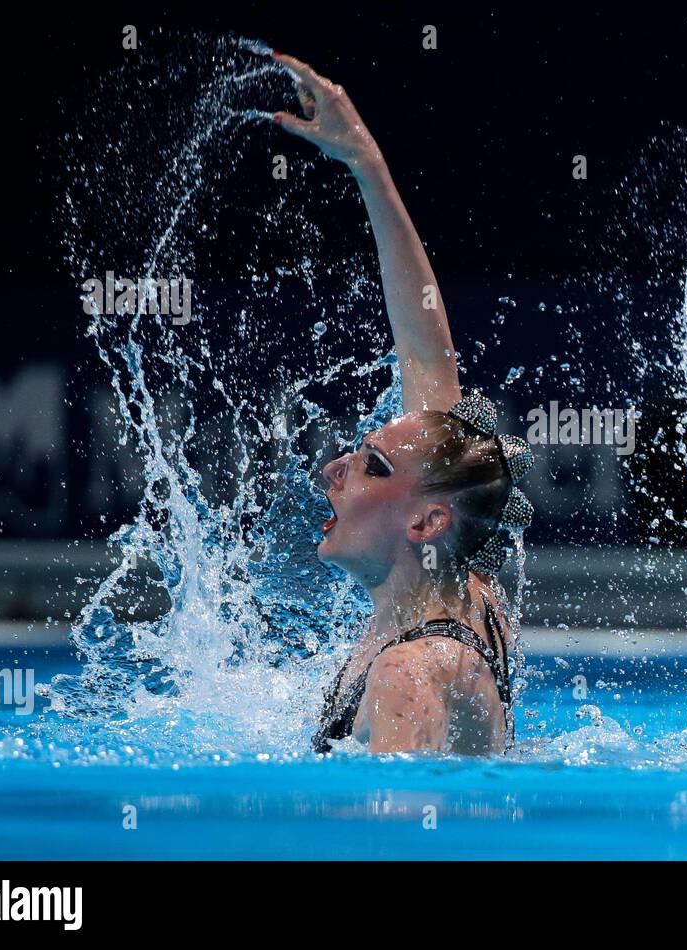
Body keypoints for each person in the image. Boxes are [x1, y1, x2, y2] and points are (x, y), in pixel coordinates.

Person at [267, 52, 534, 755]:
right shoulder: (462, 594)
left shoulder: (408, 673)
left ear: (426, 520)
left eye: (372, 465)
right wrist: (366, 164)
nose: (334, 468)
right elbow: (425, 350)